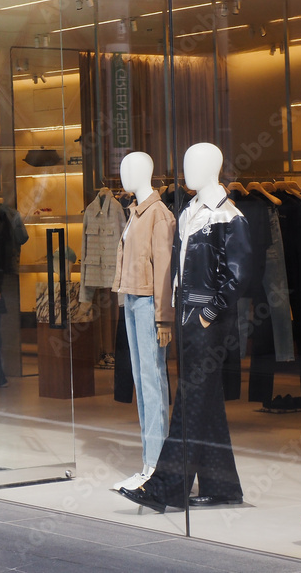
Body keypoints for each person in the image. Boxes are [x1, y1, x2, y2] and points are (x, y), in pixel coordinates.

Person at [120, 143, 250, 512]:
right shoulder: (191, 211)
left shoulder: (228, 216)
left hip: (207, 321)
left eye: (194, 163)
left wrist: (210, 311)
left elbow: (239, 275)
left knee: (190, 402)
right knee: (205, 403)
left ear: (214, 168)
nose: (185, 169)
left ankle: (165, 487)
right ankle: (223, 487)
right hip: (188, 319)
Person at [110, 152, 175, 491]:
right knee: (141, 380)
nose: (123, 174)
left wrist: (164, 317)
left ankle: (157, 466)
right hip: (132, 299)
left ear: (145, 171)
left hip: (149, 302)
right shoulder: (135, 212)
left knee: (152, 382)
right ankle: (149, 463)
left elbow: (164, 270)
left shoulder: (159, 215)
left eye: (129, 168)